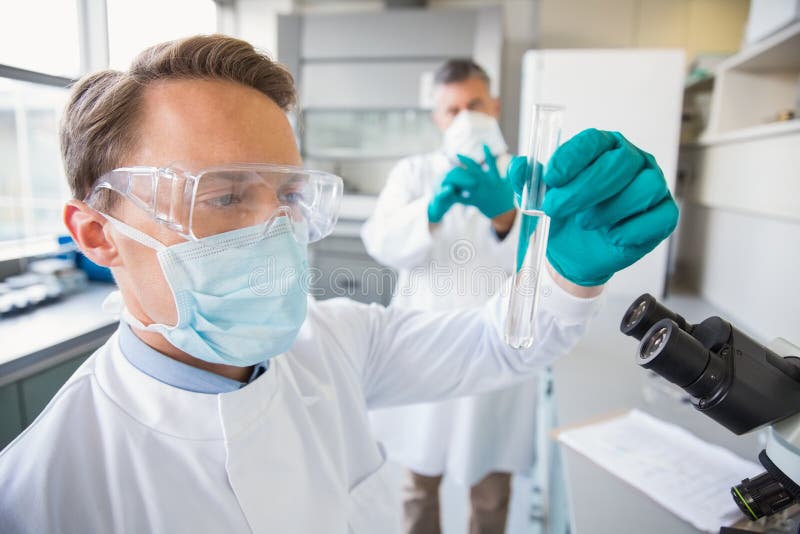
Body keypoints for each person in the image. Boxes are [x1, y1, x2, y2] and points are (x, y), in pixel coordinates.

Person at [0, 35, 677, 534]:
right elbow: (396, 240)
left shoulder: (331, 341)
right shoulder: (39, 494)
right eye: (228, 197)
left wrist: (566, 270)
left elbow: (497, 344)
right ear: (97, 234)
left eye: (289, 195)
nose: (277, 232)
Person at [361, 59, 538, 534]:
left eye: (474, 104)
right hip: (426, 344)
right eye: (452, 108)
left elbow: (546, 266)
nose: (464, 117)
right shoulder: (415, 173)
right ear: (437, 117)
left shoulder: (528, 176)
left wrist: (506, 217)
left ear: (495, 105)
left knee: (490, 486)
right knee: (419, 480)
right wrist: (432, 209)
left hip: (498, 346)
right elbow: (381, 242)